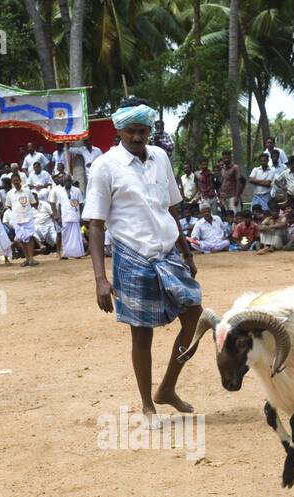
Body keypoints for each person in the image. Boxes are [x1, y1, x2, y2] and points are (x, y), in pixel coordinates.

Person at [84, 97, 204, 419]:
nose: (138, 137)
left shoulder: (161, 157)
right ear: (119, 130)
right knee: (142, 333)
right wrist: (100, 279)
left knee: (194, 316)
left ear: (150, 131)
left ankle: (167, 388)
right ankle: (147, 404)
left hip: (168, 252)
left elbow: (172, 207)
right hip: (132, 256)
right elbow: (95, 225)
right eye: (132, 131)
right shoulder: (105, 166)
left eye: (143, 131)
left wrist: (186, 250)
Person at [5, 173, 41, 266]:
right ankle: (27, 259)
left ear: (20, 181)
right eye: (14, 181)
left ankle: (31, 259)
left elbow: (33, 202)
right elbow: (9, 206)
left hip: (28, 217)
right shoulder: (9, 194)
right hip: (17, 219)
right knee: (21, 239)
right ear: (12, 182)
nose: (16, 182)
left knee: (29, 238)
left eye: (17, 180)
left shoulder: (27, 191)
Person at [217, 150, 243, 215]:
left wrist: (237, 197)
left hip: (233, 196)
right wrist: (220, 196)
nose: (226, 160)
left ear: (230, 157)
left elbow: (238, 183)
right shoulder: (222, 169)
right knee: (228, 216)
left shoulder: (235, 167)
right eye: (224, 158)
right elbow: (222, 182)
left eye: (227, 158)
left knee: (235, 215)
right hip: (224, 197)